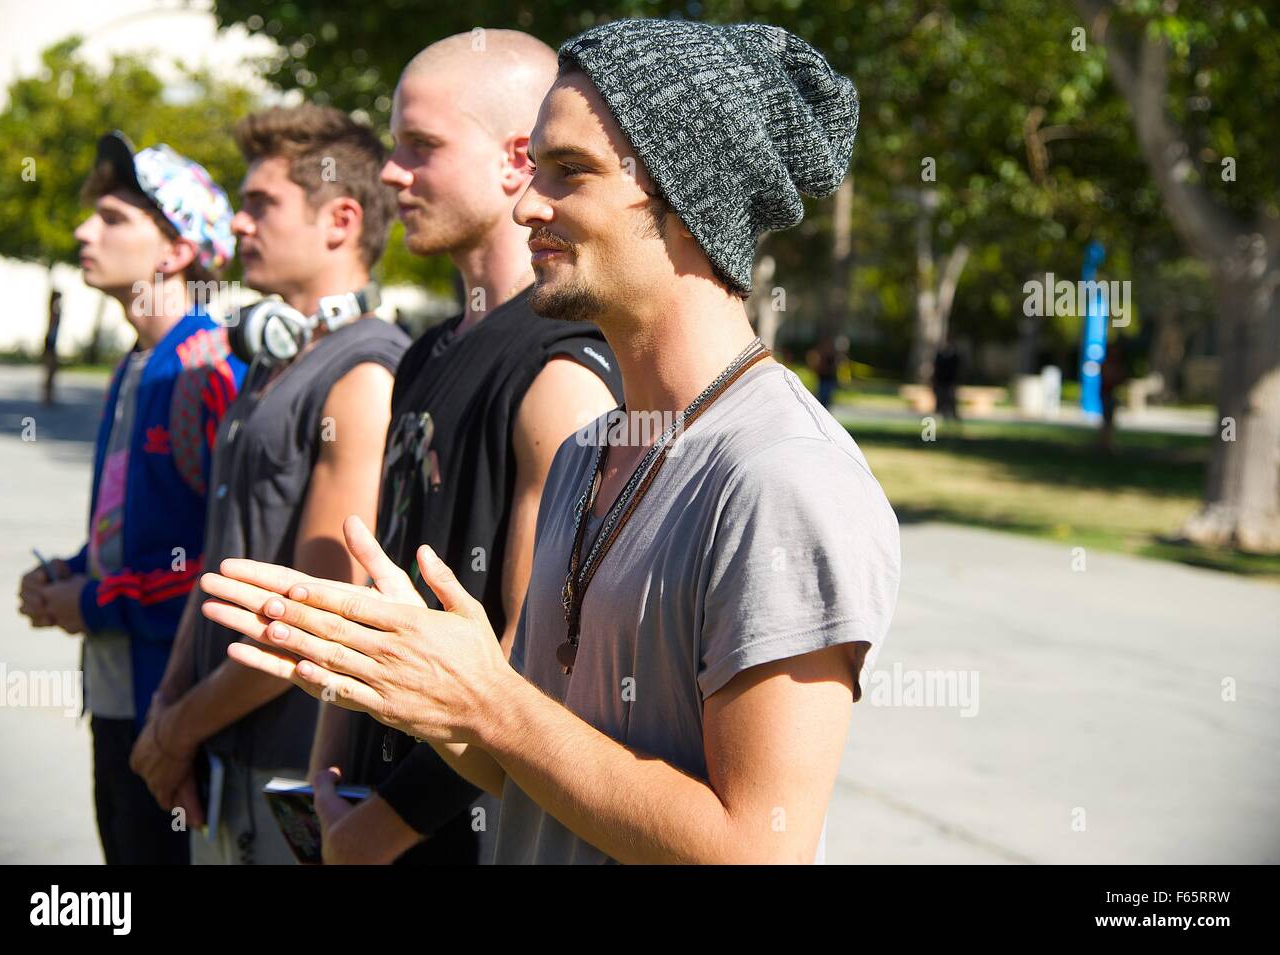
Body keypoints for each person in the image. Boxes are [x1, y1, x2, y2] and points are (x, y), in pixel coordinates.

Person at [203, 18, 900, 864]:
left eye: (571, 171)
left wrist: (490, 699)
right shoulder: (588, 451)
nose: (529, 202)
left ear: (689, 202)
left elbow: (755, 847)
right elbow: (541, 770)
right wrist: (418, 687)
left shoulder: (782, 477)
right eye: (534, 168)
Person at [305, 30, 622, 865]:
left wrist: (379, 830)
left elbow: (530, 667)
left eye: (422, 146)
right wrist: (326, 772)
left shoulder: (563, 368)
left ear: (518, 160)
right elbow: (376, 577)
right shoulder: (424, 352)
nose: (389, 172)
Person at [129, 104, 409, 865]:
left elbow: (311, 615)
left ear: (340, 220)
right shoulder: (268, 364)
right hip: (221, 761)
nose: (241, 224)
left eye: (261, 204)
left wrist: (174, 729)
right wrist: (168, 711)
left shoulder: (363, 374)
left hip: (288, 782)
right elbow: (217, 566)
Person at [17, 132, 245, 864]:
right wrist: (68, 569)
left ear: (175, 250)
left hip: (173, 714)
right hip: (114, 702)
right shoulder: (135, 366)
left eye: (115, 217)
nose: (86, 229)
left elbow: (227, 565)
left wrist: (90, 599)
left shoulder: (208, 372)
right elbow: (130, 525)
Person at [932, 338, 960, 421]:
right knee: (941, 399)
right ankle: (940, 414)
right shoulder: (940, 356)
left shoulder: (954, 356)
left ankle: (952, 416)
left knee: (950, 400)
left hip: (949, 381)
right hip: (941, 381)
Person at [42, 289, 62, 406]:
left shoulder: (54, 310)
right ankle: (47, 398)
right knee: (50, 372)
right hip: (50, 343)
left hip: (51, 343)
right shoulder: (54, 312)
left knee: (51, 372)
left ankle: (49, 397)